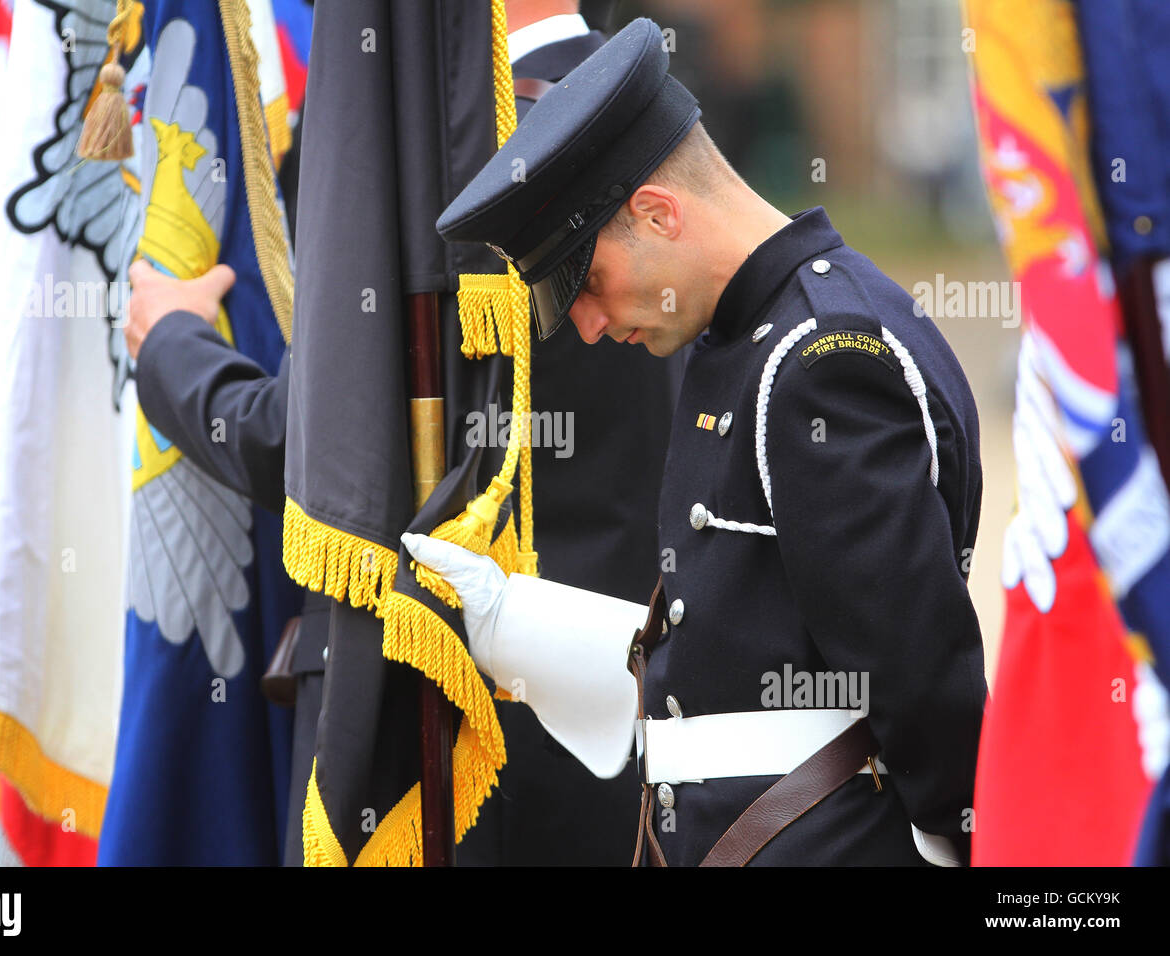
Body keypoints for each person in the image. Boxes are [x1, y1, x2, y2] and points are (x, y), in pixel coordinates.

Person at [409, 16, 987, 866]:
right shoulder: (746, 338)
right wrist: (510, 619)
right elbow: (735, 644)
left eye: (589, 283)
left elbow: (924, 691)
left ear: (657, 212)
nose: (591, 326)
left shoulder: (820, 358)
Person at [123, 1, 683, 866]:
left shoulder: (457, 163)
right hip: (632, 739)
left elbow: (331, 453)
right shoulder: (671, 122)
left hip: (462, 762)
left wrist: (172, 351)